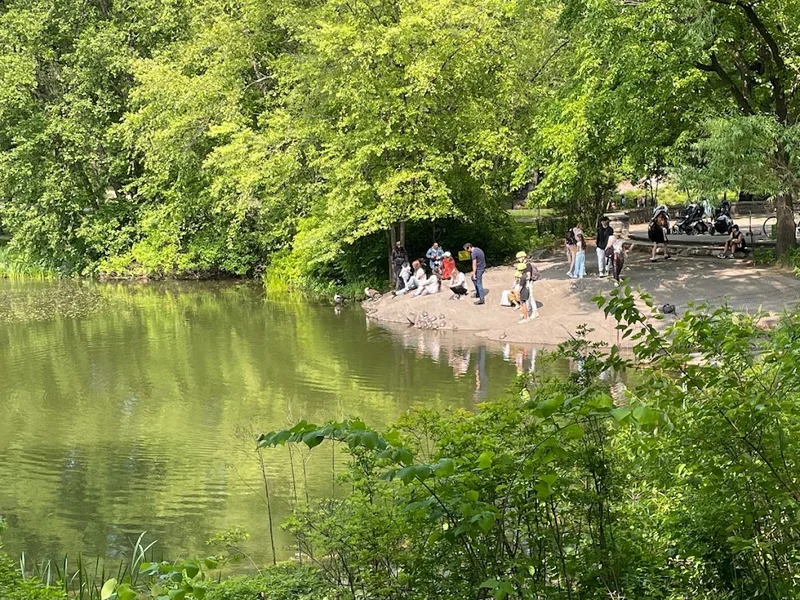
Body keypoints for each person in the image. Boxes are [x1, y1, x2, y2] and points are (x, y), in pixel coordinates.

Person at [516, 251, 540, 318]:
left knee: (531, 297)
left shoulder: (527, 264)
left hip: (528, 282)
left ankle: (535, 312)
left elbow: (528, 276)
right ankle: (528, 311)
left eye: (519, 258)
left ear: (523, 257)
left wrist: (522, 278)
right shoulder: (523, 264)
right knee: (528, 298)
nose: (518, 259)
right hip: (526, 282)